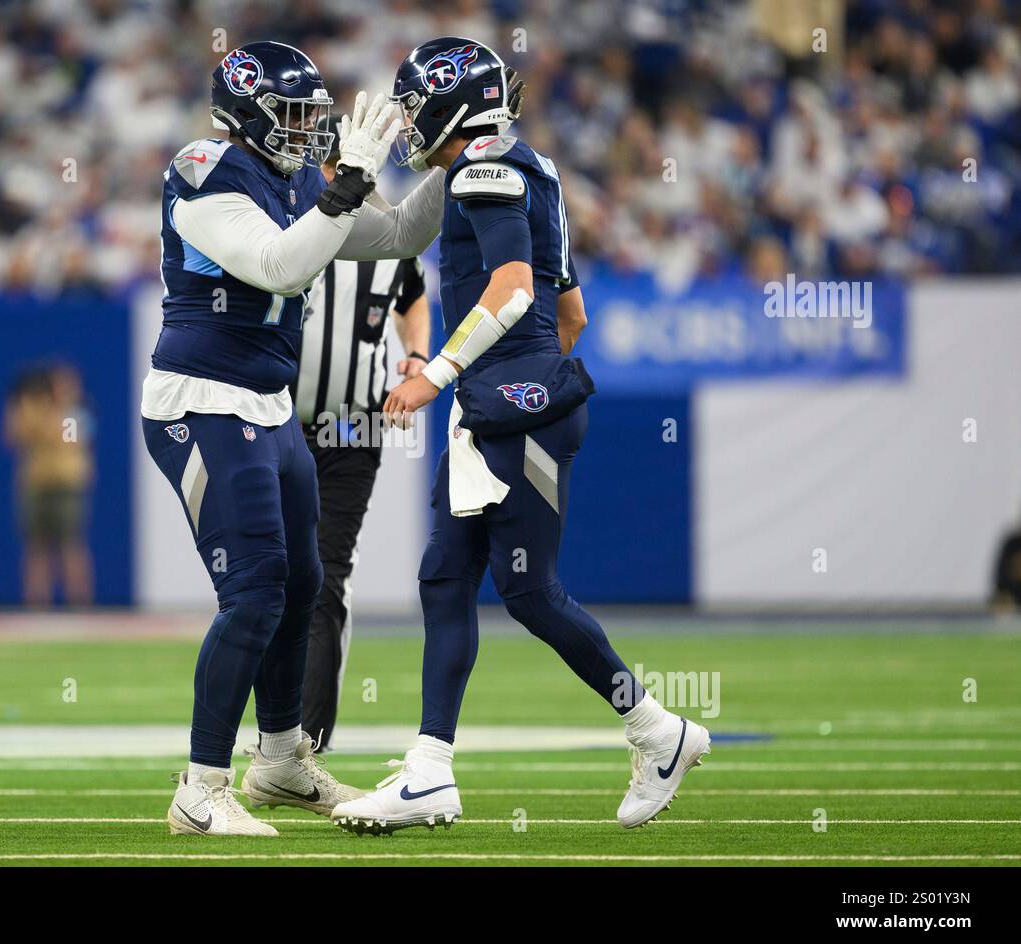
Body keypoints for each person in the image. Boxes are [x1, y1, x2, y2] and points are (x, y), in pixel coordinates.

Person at [332, 38, 710, 834]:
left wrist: (438, 374)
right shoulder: (500, 164)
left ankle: (659, 732)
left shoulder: (485, 167)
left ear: (448, 102)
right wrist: (347, 188)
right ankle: (430, 769)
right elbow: (403, 240)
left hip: (508, 401)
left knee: (531, 593)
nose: (403, 120)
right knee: (445, 577)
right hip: (502, 399)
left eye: (411, 105)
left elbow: (512, 287)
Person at [140, 41, 444, 836]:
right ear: (248, 113)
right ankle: (201, 788)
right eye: (298, 116)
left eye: (318, 117)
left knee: (304, 584)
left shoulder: (296, 178)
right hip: (202, 400)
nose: (312, 131)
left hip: (267, 404)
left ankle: (279, 760)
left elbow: (401, 236)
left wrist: (459, 152)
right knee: (254, 591)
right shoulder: (207, 170)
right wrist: (345, 184)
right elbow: (277, 264)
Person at [291, 117, 432, 752]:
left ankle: (305, 743)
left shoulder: (387, 233)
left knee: (324, 578)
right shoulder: (296, 221)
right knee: (270, 578)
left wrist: (418, 355)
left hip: (351, 421)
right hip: (278, 419)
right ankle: (274, 735)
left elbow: (412, 295)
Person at [2, 363, 95, 607]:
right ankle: (37, 605)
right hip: (36, 484)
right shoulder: (32, 410)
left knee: (71, 544)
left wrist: (60, 407)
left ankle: (80, 605)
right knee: (36, 547)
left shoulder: (76, 412)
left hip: (67, 484)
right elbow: (14, 438)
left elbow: (69, 438)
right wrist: (24, 405)